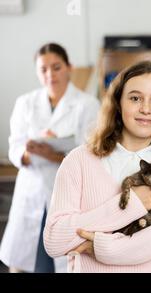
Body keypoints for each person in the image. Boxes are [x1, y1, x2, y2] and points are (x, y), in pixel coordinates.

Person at [43, 61, 151, 273]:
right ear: (119, 102)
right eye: (135, 98)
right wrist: (131, 204)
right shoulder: (78, 160)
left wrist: (107, 248)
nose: (146, 109)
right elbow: (55, 240)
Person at [0, 43, 100, 273]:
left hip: (67, 193)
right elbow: (15, 148)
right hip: (31, 191)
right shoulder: (25, 103)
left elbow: (93, 155)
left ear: (69, 67)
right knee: (24, 264)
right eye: (43, 69)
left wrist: (54, 154)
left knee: (65, 263)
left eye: (56, 67)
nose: (50, 75)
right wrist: (29, 152)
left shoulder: (88, 105)